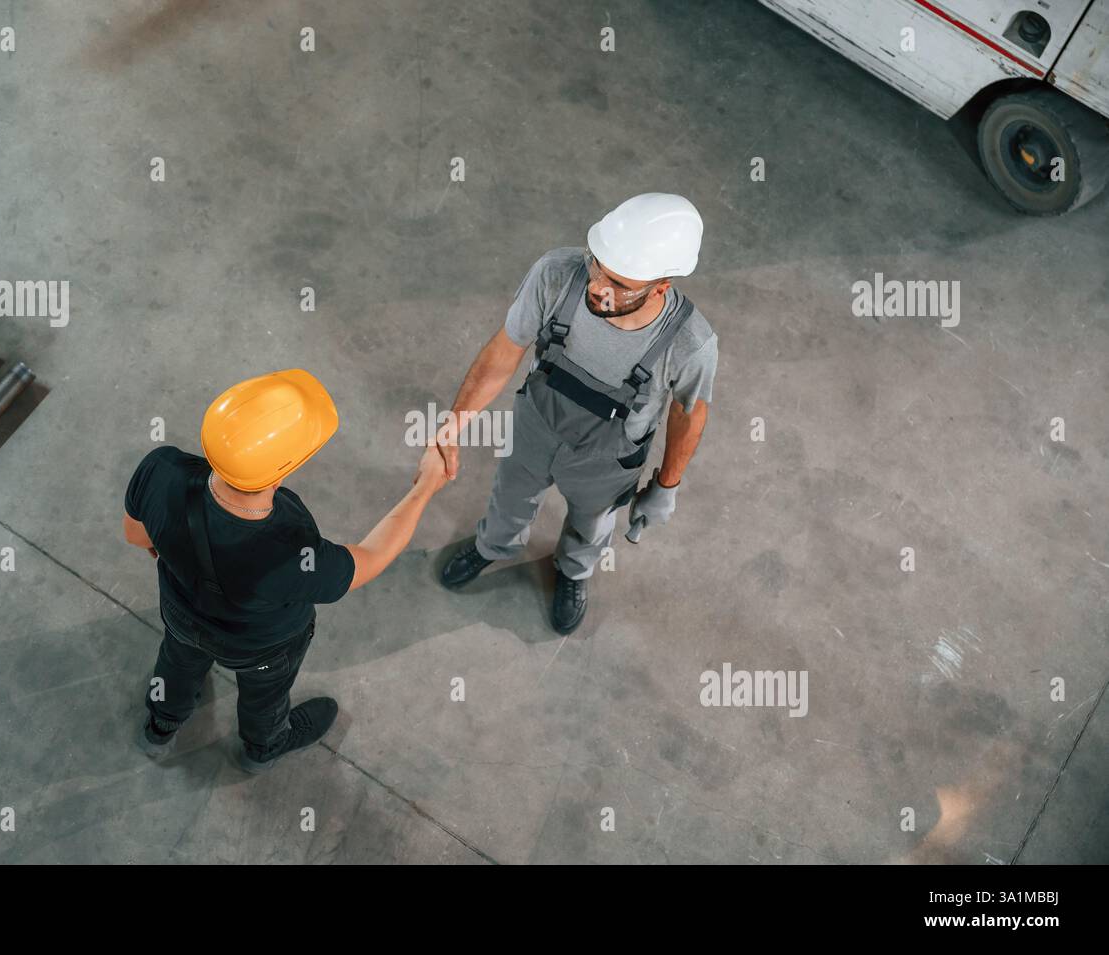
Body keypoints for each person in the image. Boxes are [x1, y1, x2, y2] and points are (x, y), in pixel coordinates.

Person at [123, 369, 448, 771]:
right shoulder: (289, 552)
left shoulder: (162, 470)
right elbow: (371, 556)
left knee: (177, 661)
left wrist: (178, 557)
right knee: (265, 696)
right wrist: (424, 489)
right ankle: (263, 749)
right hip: (260, 649)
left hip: (180, 616)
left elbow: (136, 537)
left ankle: (161, 725)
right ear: (282, 469)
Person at [429, 194, 718, 634]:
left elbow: (688, 413)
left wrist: (666, 486)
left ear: (661, 285)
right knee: (510, 496)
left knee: (591, 524)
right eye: (596, 264)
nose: (598, 285)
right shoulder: (557, 275)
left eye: (619, 283)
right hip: (536, 425)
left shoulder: (689, 343)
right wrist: (456, 422)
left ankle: (573, 572)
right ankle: (493, 546)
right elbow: (506, 351)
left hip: (607, 462)